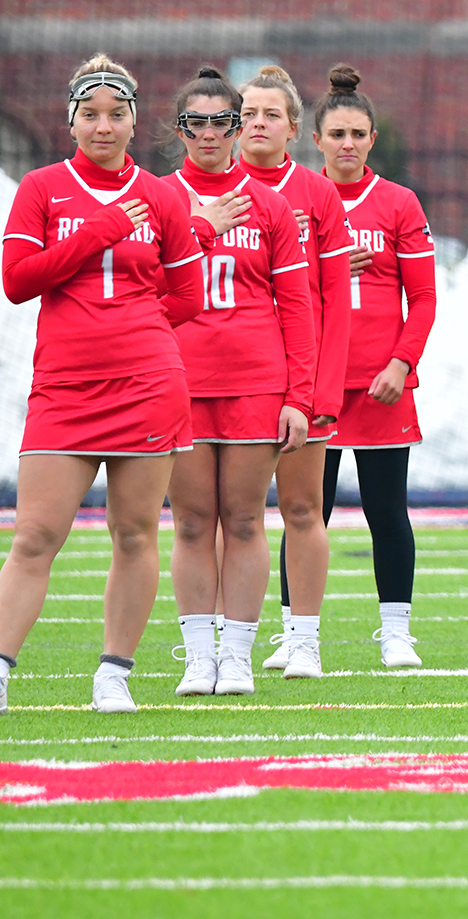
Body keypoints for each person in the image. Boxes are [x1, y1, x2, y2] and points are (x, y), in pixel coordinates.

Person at [0, 55, 207, 716]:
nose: (103, 126)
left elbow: (188, 293)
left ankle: (113, 675)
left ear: (132, 120)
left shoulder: (162, 194)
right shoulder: (41, 187)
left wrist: (136, 328)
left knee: (135, 533)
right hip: (63, 387)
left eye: (116, 114)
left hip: (148, 384)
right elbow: (17, 281)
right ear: (71, 121)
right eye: (90, 114)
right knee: (35, 533)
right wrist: (96, 233)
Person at [161, 66, 316, 698]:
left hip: (255, 381)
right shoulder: (159, 198)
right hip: (177, 380)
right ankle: (199, 658)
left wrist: (299, 397)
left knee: (246, 519)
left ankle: (239, 656)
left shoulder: (272, 204)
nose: (209, 133)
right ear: (179, 129)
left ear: (237, 125)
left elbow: (299, 306)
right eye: (196, 122)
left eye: (221, 121)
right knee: (193, 522)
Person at [315, 64, 437, 666]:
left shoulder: (398, 202)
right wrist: (329, 268)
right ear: (316, 140)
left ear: (371, 139)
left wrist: (400, 363)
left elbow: (425, 298)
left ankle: (395, 634)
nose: (347, 144)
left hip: (382, 386)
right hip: (316, 386)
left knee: (387, 511)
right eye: (336, 134)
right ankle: (298, 635)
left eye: (357, 134)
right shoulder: (294, 200)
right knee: (307, 513)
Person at [239, 66, 355, 681]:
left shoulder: (316, 194)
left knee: (303, 508)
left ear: (292, 127)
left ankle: (302, 638)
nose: (258, 123)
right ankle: (227, 647)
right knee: (230, 518)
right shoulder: (204, 190)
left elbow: (334, 302)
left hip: (299, 381)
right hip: (230, 379)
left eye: (270, 114)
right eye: (248, 113)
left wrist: (318, 393)